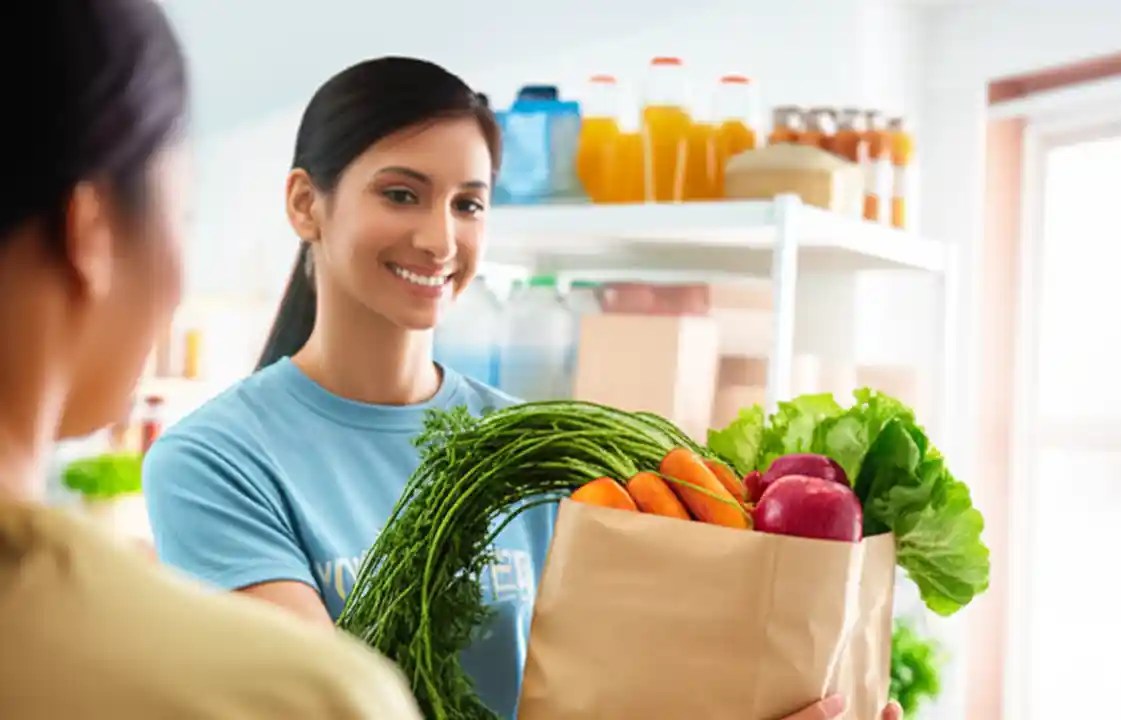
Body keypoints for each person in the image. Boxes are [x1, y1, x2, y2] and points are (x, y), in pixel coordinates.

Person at [142, 55, 902, 720]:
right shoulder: (215, 462)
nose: (441, 239)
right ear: (306, 203)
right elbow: (324, 704)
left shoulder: (534, 448)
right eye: (401, 194)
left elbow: (622, 687)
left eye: (468, 203)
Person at [0, 2, 422, 718]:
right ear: (92, 231)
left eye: (471, 203)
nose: (436, 237)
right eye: (183, 214)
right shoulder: (297, 697)